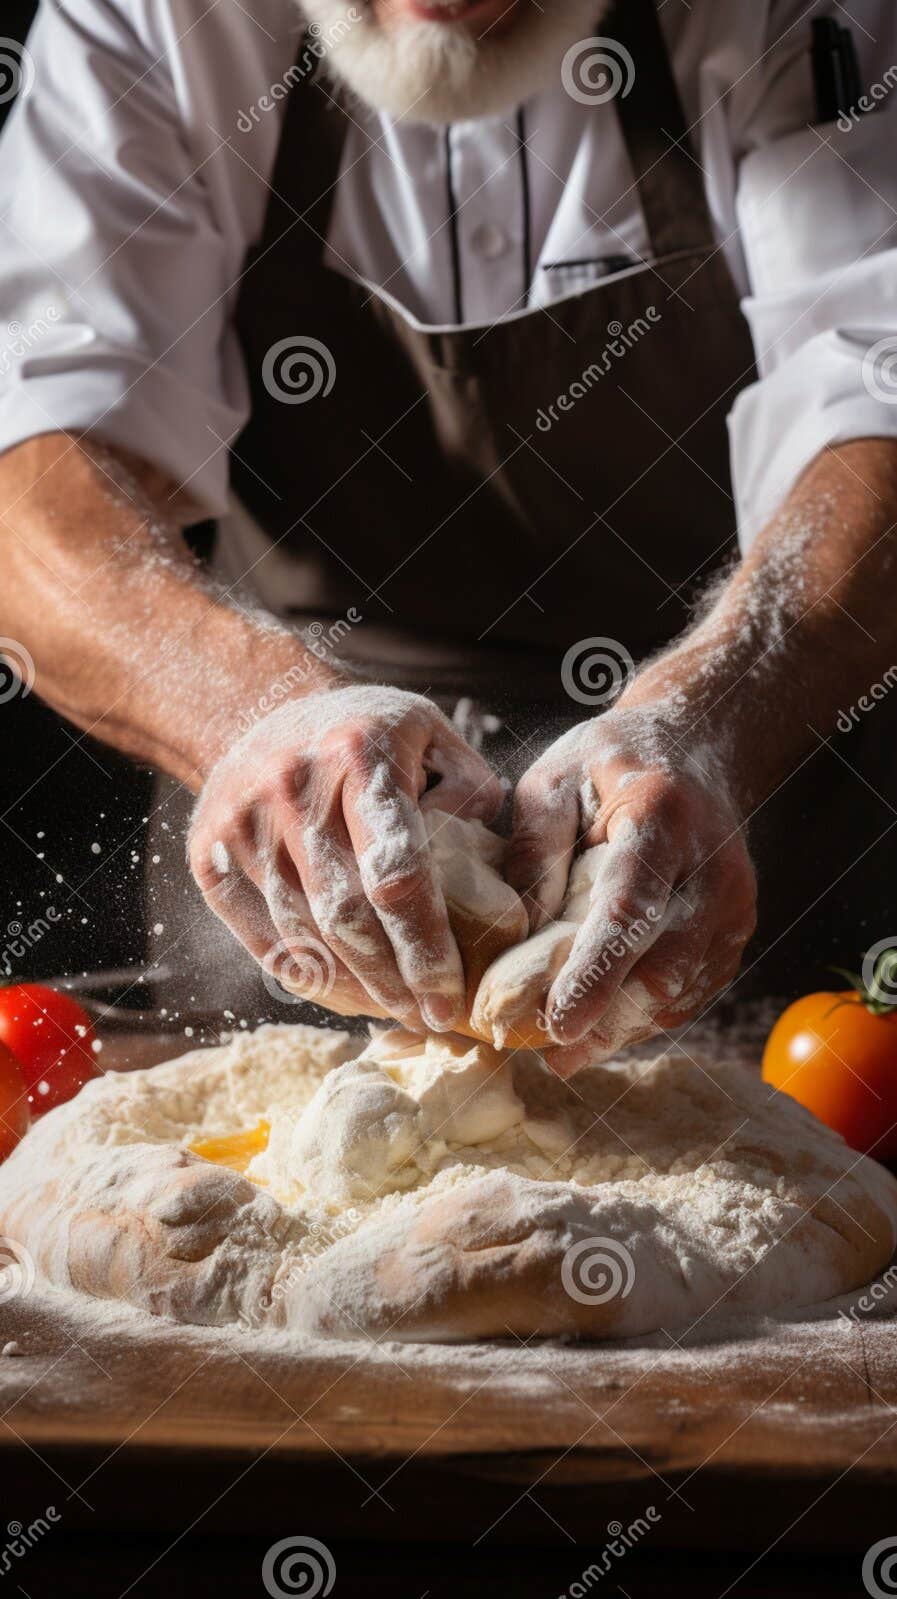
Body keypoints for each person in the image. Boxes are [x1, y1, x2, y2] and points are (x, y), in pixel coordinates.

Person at [1, 0, 897, 1074]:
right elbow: (30, 462)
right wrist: (254, 710)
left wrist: (708, 721)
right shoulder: (158, 16)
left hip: (744, 849)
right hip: (301, 913)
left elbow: (875, 392)